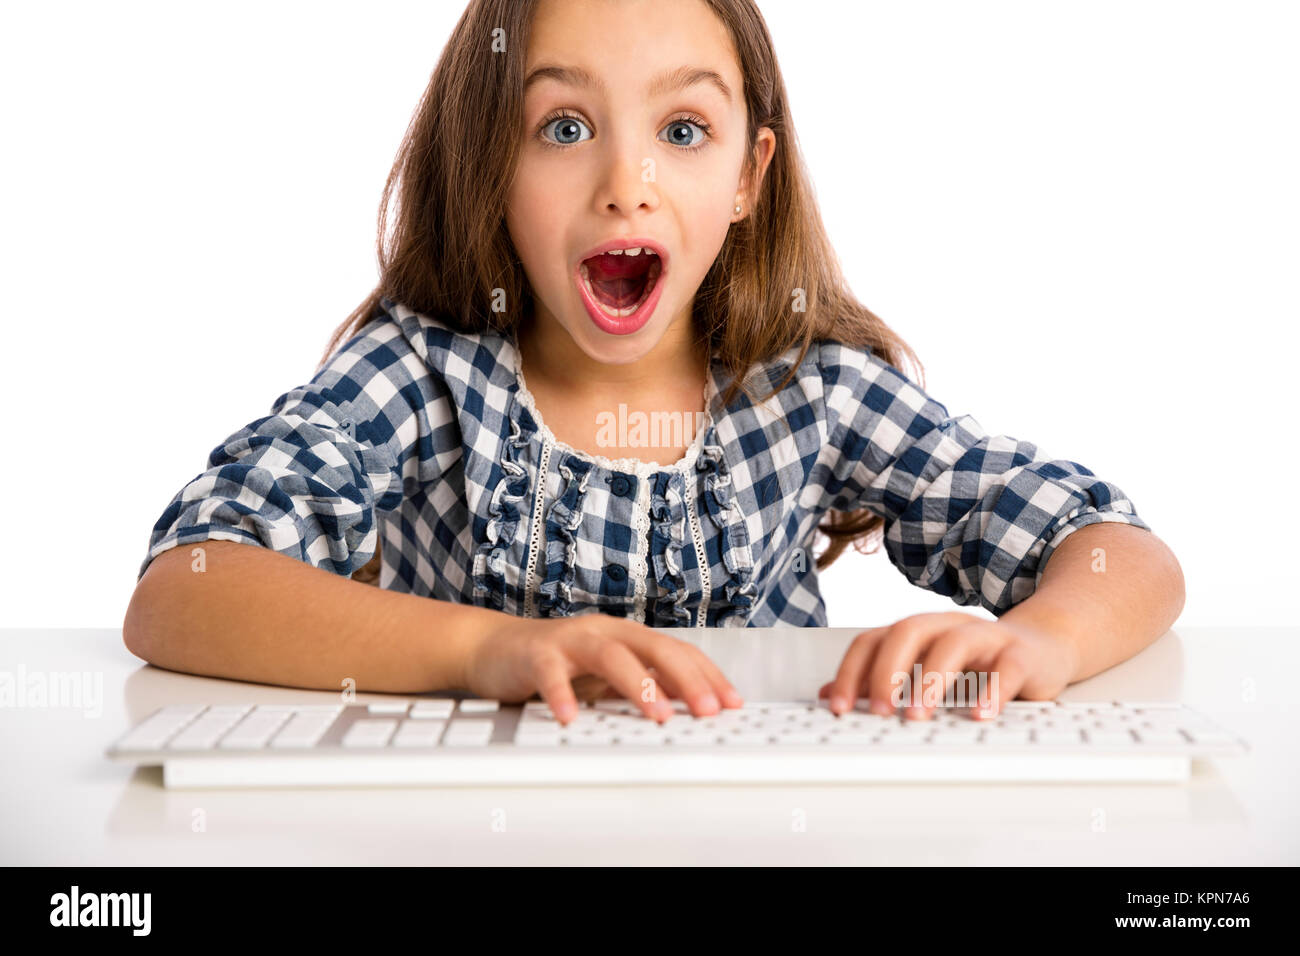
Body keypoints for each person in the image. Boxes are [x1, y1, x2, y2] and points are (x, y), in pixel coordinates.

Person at [124, 0, 1184, 725]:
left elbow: (1122, 554)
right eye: (566, 125)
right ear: (489, 163)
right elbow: (185, 587)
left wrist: (1044, 638)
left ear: (746, 174)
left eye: (682, 129)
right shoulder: (426, 376)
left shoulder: (807, 388)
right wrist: (484, 651)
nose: (625, 183)